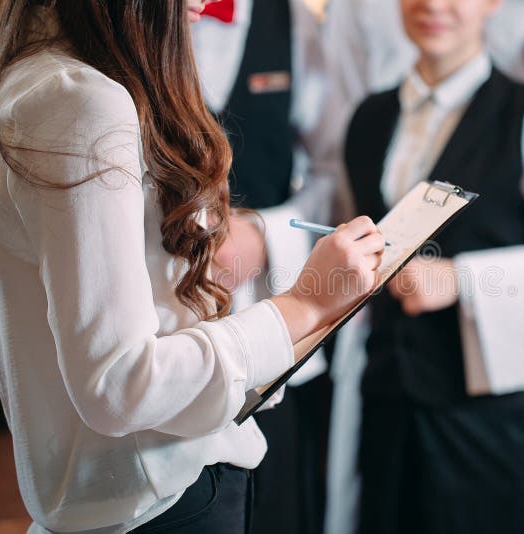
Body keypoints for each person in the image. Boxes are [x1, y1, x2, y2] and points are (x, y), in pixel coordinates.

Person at [0, 0, 384, 532]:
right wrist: (304, 304)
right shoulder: (85, 104)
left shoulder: (37, 81)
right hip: (163, 502)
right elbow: (120, 384)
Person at [323, 1, 524, 532]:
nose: (433, 5)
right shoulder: (367, 118)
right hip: (386, 408)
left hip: (496, 424)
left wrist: (461, 279)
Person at [191, 3, 341, 533]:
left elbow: (330, 166)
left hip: (271, 316)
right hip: (161, 316)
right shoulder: (125, 22)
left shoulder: (294, 21)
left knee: (274, 500)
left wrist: (263, 235)